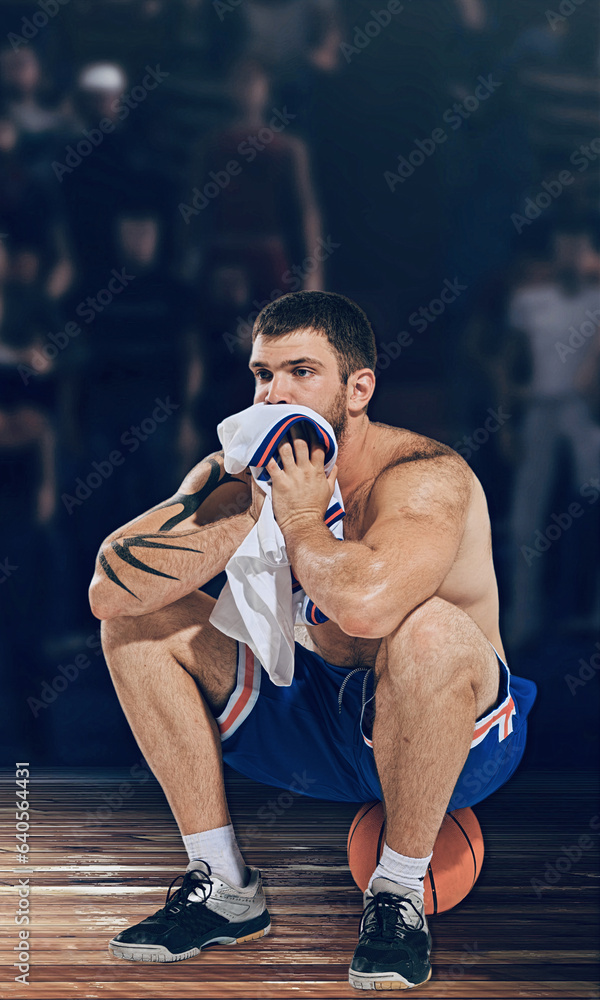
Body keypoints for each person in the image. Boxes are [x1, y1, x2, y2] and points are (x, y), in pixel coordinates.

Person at [90, 290, 536, 991]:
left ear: (358, 390)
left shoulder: (424, 477)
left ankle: (397, 897)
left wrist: (299, 519)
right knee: (138, 625)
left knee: (430, 629)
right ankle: (223, 886)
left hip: (457, 736)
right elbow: (110, 594)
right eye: (263, 375)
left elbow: (365, 609)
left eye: (301, 372)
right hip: (318, 714)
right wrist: (243, 514)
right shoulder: (239, 475)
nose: (275, 394)